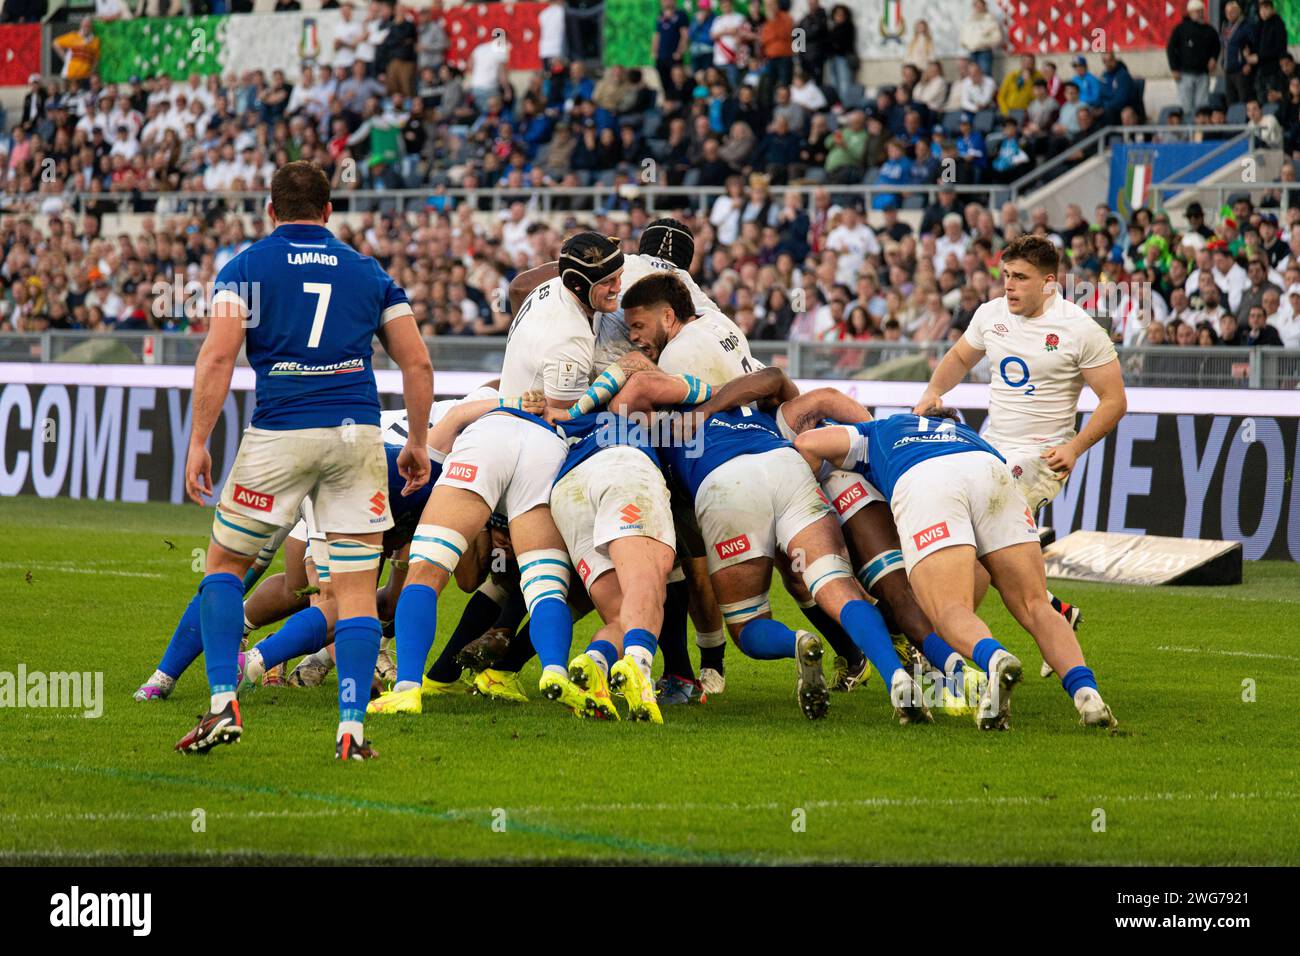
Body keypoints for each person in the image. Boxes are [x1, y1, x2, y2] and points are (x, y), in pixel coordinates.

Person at [176, 161, 433, 761]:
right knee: (355, 589)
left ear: (271, 210)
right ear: (328, 211)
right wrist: (417, 441)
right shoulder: (369, 273)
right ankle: (351, 729)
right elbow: (416, 364)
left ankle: (221, 704)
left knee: (224, 564)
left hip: (280, 434)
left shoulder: (246, 269)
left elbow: (217, 359)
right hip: (356, 439)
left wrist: (197, 442)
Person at [794, 410, 1117, 729]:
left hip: (925, 480)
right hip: (990, 471)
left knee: (948, 611)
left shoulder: (880, 428)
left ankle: (995, 658)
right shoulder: (968, 435)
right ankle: (1088, 697)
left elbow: (809, 442)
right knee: (1035, 603)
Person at [912, 234, 1128, 673]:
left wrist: (1075, 447)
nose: (1008, 286)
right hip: (990, 450)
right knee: (985, 544)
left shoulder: (1080, 329)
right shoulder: (991, 315)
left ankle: (941, 653)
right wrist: (934, 390)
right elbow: (958, 357)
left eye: (1020, 278)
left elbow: (1114, 401)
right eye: (1006, 275)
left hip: (1040, 460)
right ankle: (1054, 611)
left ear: (1049, 282)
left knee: (971, 545)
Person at [1166, 0, 1220, 116]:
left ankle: (1200, 133)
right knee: (1186, 107)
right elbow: (1170, 48)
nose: (1200, 14)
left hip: (1203, 74)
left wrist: (1213, 58)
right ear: (1190, 12)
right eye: (1197, 11)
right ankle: (1187, 132)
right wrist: (1174, 68)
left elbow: (1217, 45)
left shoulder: (1209, 30)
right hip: (1185, 74)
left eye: (1201, 11)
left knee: (1202, 107)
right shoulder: (1180, 29)